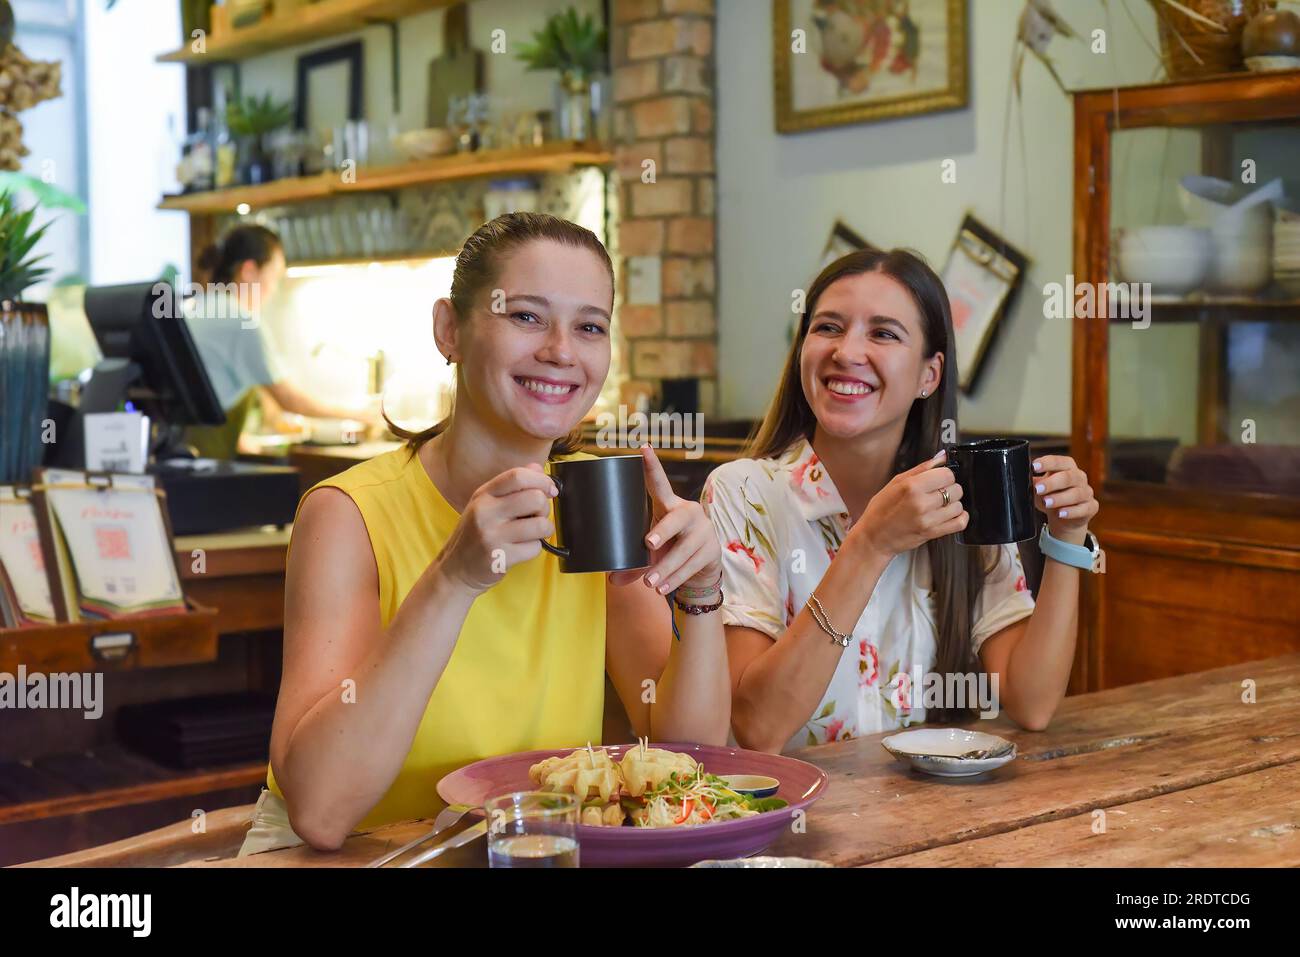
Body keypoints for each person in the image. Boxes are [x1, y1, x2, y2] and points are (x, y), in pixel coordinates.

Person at [240, 213, 730, 854]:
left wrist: (700, 597)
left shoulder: (594, 502)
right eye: (526, 316)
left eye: (589, 326)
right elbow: (322, 810)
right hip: (362, 854)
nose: (560, 349)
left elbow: (685, 759)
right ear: (450, 330)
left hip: (522, 849)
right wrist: (455, 577)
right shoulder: (347, 512)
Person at [703, 248, 1100, 753]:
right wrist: (869, 544)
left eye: (883, 333)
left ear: (929, 375)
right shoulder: (744, 493)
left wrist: (1066, 539)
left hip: (937, 817)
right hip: (797, 819)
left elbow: (1032, 702)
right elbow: (757, 729)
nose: (847, 351)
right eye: (827, 327)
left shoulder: (962, 495)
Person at [183, 224, 374, 458]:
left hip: (188, 450)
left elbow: (218, 388)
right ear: (250, 271)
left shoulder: (205, 306)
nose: (273, 290)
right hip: (205, 459)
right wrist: (360, 415)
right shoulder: (239, 320)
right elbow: (290, 400)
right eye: (274, 277)